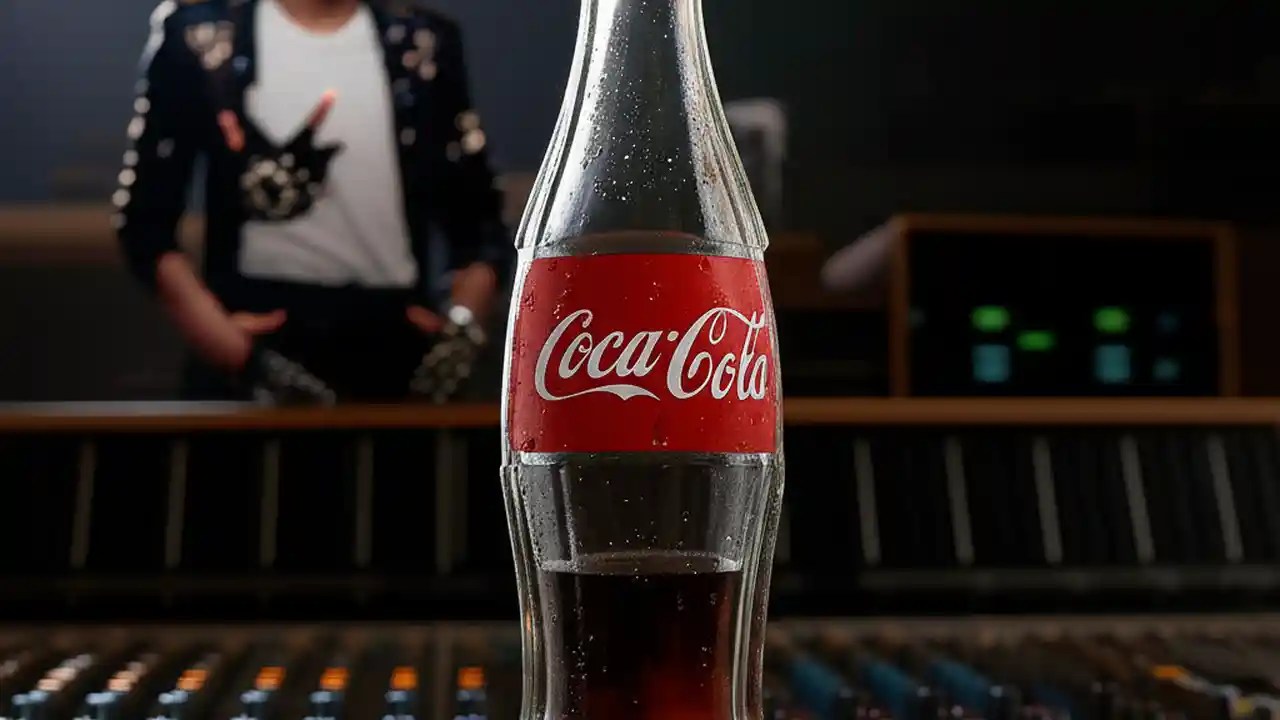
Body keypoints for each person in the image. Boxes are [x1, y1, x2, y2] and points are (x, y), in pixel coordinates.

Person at [112, 0, 512, 404]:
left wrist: (459, 335)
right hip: (254, 356)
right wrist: (231, 349)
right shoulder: (202, 36)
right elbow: (145, 224)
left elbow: (481, 227)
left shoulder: (423, 42)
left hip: (395, 360)